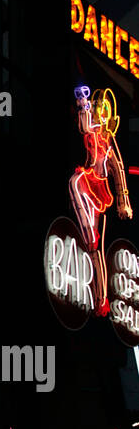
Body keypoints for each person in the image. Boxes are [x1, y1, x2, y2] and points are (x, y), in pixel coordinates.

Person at [69, 85, 132, 315]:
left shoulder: (108, 139)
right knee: (75, 181)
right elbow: (84, 125)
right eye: (98, 108)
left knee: (98, 252)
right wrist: (83, 104)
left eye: (103, 110)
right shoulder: (91, 131)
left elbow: (118, 168)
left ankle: (101, 299)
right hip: (88, 180)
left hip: (102, 190)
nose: (99, 113)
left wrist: (123, 200)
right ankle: (87, 231)